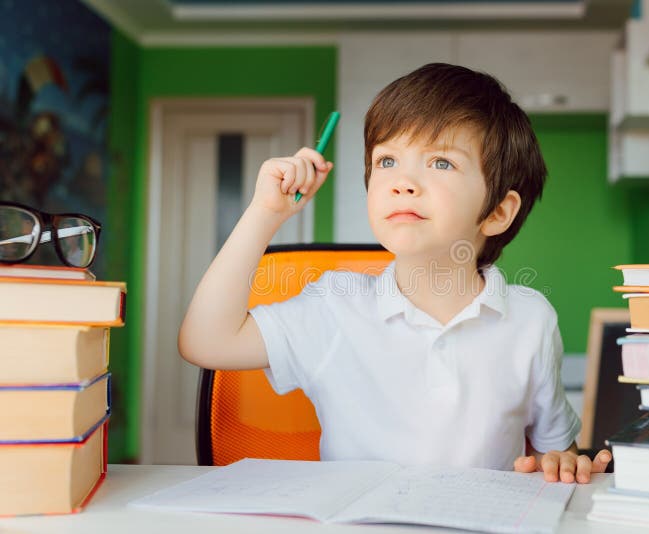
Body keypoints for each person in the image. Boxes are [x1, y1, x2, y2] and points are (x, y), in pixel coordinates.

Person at [179, 63, 611, 484]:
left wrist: (563, 463)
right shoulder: (334, 306)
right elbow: (205, 342)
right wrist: (264, 213)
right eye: (387, 161)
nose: (403, 181)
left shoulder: (530, 319)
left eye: (440, 162)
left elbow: (554, 452)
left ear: (498, 212)